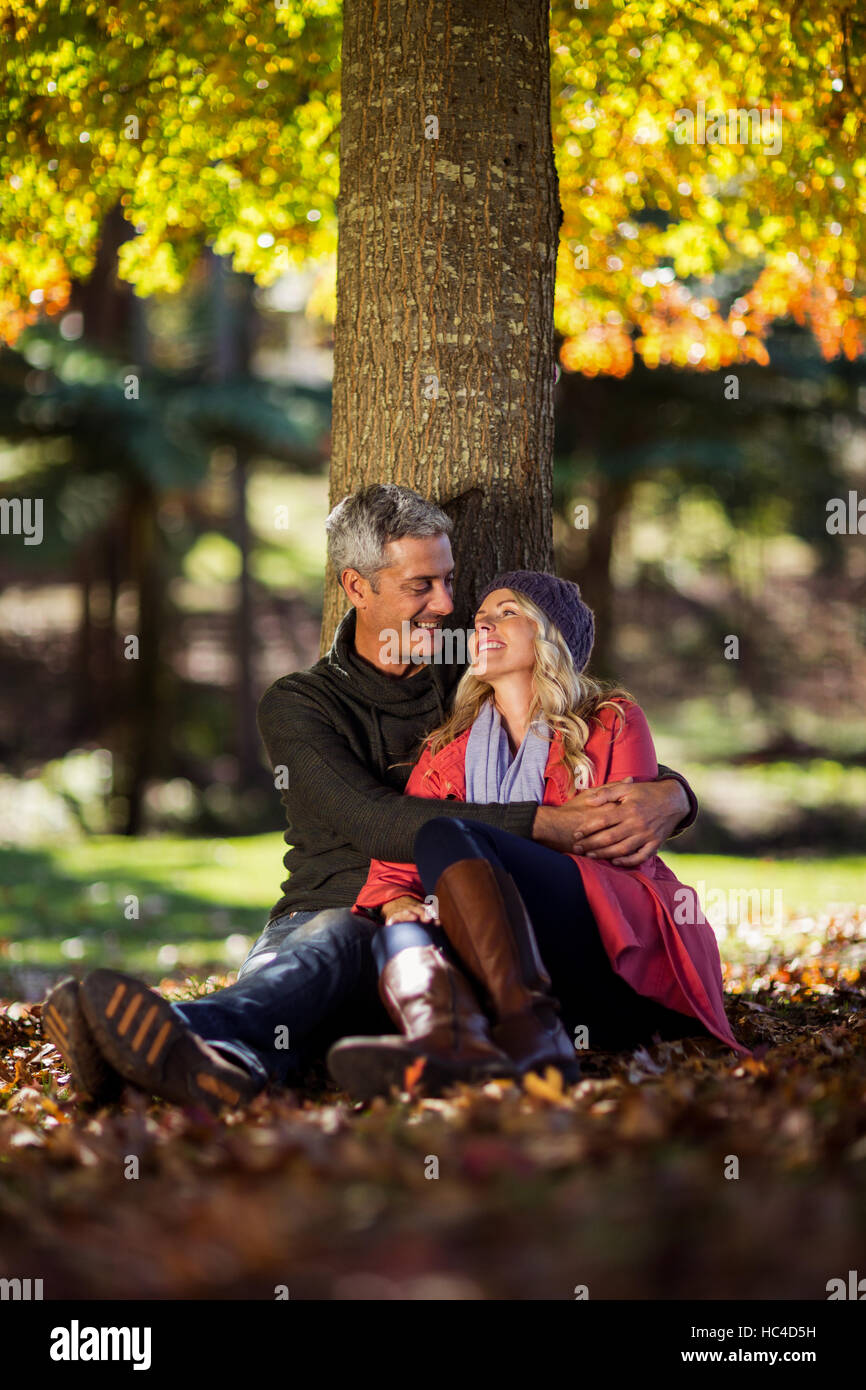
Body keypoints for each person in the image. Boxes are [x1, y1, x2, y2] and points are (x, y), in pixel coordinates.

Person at [42, 487, 701, 1112]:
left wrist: (673, 794)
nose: (446, 604)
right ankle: (194, 1045)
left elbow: (567, 730)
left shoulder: (467, 674)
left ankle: (183, 1049)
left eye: (448, 581)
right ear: (357, 587)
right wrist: (542, 824)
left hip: (441, 930)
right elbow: (374, 820)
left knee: (329, 1004)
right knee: (326, 951)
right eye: (422, 585)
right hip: (329, 914)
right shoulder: (301, 704)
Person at [327, 570, 749, 1100]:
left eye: (507, 612)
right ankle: (455, 1044)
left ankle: (526, 1035)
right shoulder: (444, 751)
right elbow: (393, 872)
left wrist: (479, 857)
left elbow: (612, 841)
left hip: (610, 965)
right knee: (402, 934)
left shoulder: (610, 721)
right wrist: (399, 905)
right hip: (521, 982)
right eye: (480, 616)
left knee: (446, 833)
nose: (483, 623)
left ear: (552, 635)